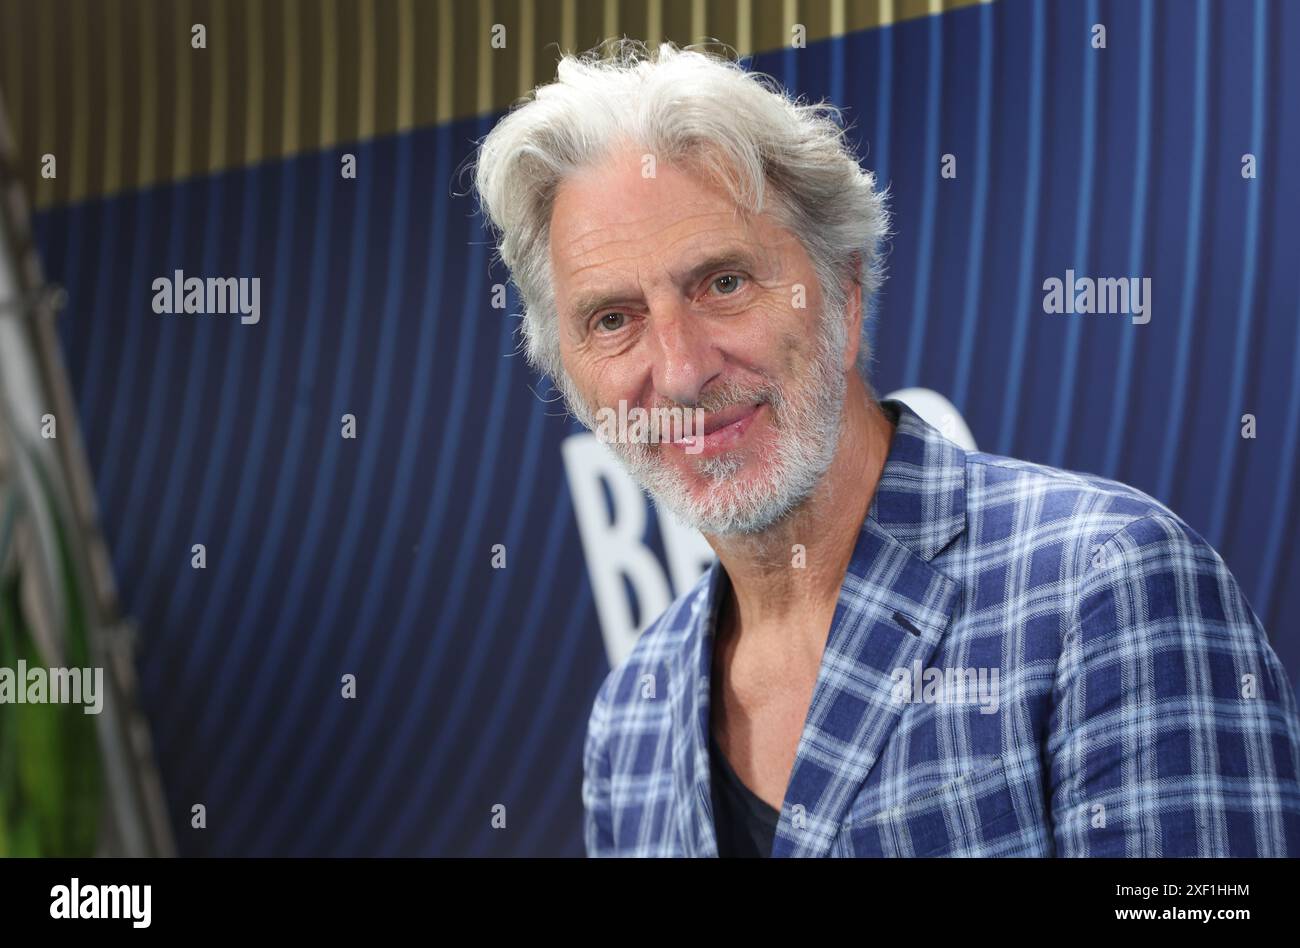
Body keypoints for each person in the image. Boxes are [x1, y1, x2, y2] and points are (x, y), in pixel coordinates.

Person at [470, 39, 1300, 856]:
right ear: (572, 374)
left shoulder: (1102, 587)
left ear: (845, 293)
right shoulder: (632, 720)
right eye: (614, 320)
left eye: (724, 283)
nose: (681, 372)